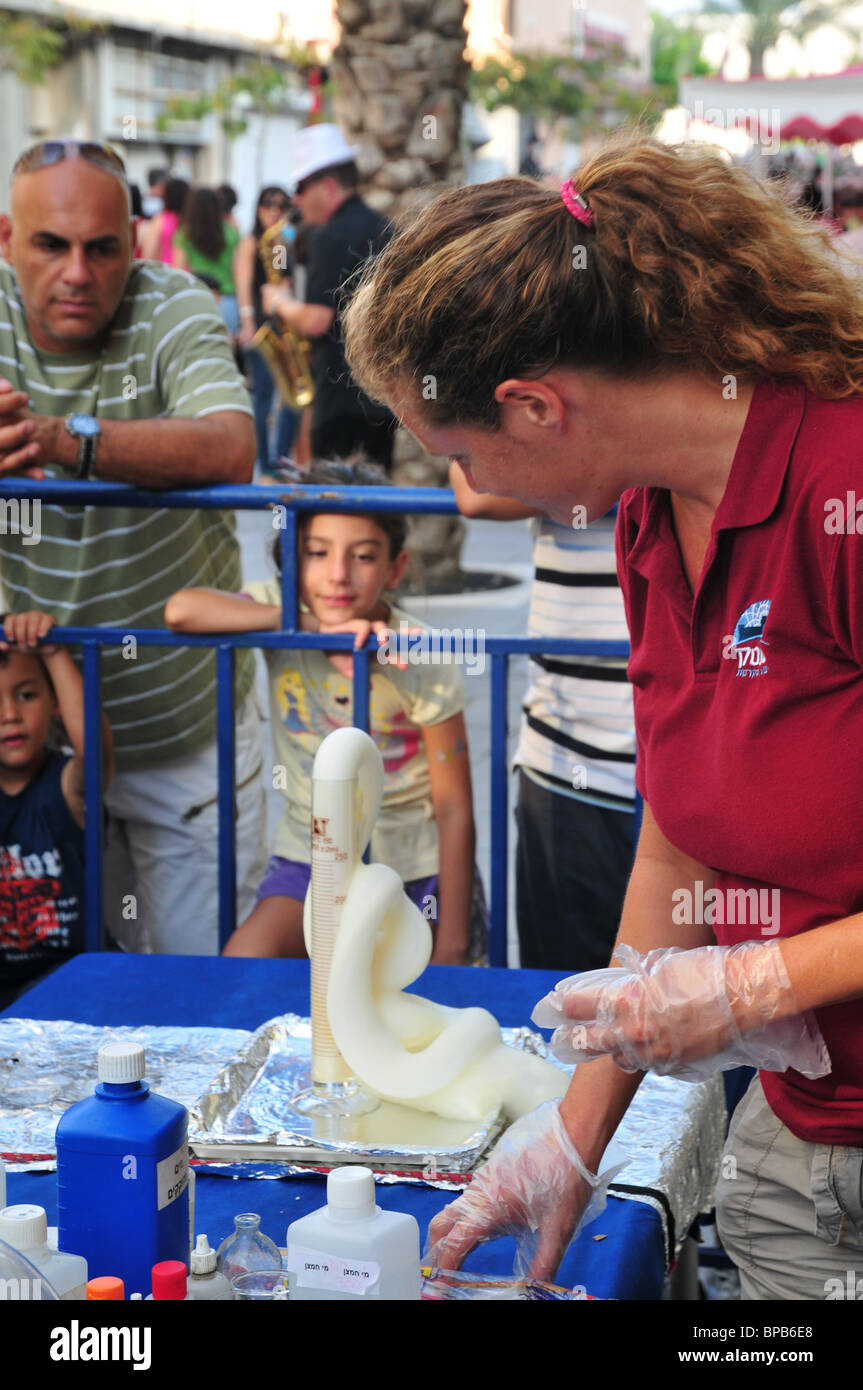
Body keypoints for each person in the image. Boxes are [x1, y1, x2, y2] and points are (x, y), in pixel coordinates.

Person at [342, 134, 863, 1297]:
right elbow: (678, 832)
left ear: (533, 404)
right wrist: (576, 1134)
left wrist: (750, 986)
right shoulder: (643, 520)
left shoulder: (840, 482)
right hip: (807, 1131)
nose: (469, 486)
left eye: (460, 451)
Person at [0, 138, 265, 956]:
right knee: (53, 1013)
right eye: (51, 244)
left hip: (182, 737)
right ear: (8, 240)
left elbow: (228, 447)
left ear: (133, 246)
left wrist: (58, 439)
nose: (78, 272)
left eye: (101, 247)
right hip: (33, 755)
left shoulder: (173, 302)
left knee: (199, 999)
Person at [165, 460, 488, 966]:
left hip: (412, 866)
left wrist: (452, 943)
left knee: (408, 1002)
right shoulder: (285, 615)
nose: (337, 575)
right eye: (316, 554)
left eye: (363, 556)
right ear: (292, 561)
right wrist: (305, 627)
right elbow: (182, 610)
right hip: (309, 856)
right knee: (243, 963)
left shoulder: (418, 652)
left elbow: (453, 808)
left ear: (395, 568)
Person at [449, 461, 636, 971]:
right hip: (566, 762)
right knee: (566, 1004)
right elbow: (478, 487)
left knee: (695, 1015)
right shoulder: (556, 402)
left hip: (693, 769)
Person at [262, 124, 398, 470]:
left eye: (301, 187)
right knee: (374, 512)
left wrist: (278, 302)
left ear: (327, 186)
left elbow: (317, 320)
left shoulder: (331, 236)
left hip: (340, 401)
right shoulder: (382, 226)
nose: (295, 199)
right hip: (380, 401)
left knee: (335, 510)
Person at [0, 610, 112, 1012]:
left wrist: (53, 652)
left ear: (54, 702)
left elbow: (94, 753)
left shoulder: (64, 784)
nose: (9, 714)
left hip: (76, 981)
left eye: (26, 695)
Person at [234, 185, 298, 471]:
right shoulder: (250, 243)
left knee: (291, 397)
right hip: (260, 326)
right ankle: (264, 465)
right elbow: (243, 285)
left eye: (280, 206)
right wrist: (248, 323)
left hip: (282, 325)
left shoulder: (282, 243)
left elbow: (284, 283)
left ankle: (280, 457)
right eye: (267, 205)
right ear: (258, 209)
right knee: (263, 398)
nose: (273, 212)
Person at [172, 186, 240, 337]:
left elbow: (179, 272)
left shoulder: (184, 234)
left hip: (197, 299)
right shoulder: (230, 232)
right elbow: (237, 272)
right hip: (227, 300)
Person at [138, 176, 188, 266]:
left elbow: (149, 254)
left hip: (167, 274)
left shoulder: (160, 220)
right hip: (190, 276)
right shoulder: (191, 221)